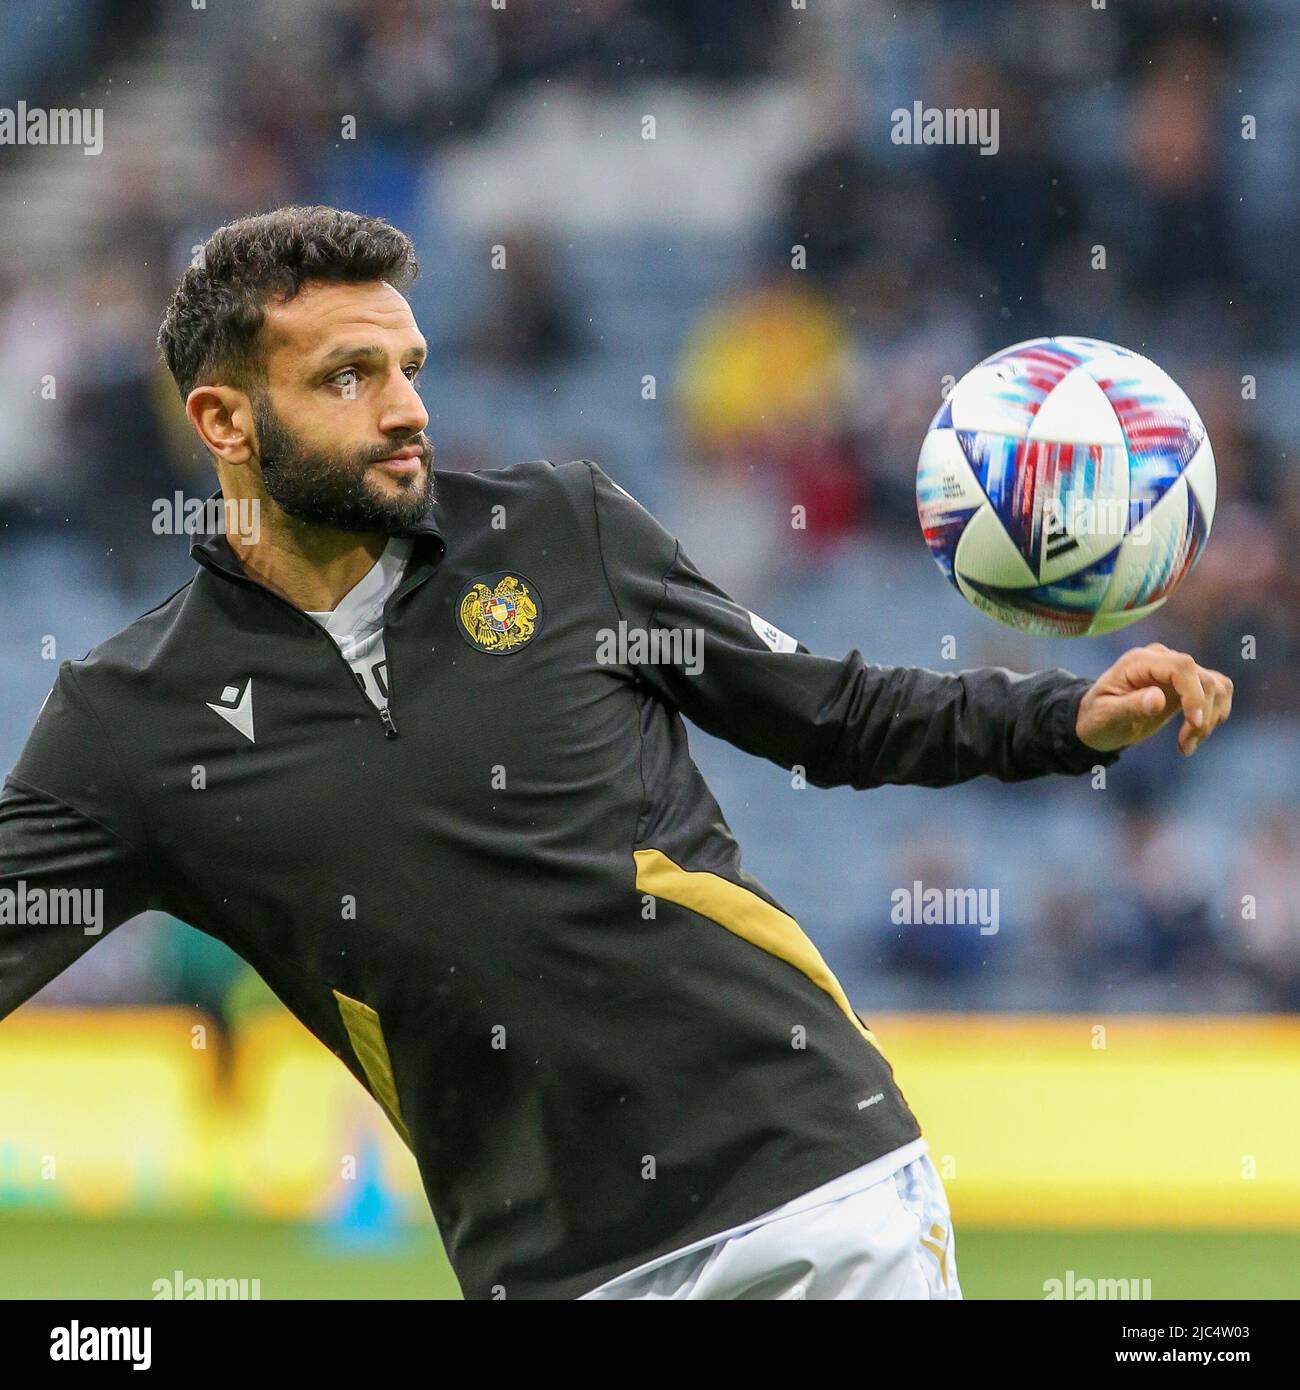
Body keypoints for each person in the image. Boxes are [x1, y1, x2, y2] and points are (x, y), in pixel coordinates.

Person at [0, 206, 1233, 1300]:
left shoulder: (561, 529)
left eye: (411, 366)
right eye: (349, 376)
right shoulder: (131, 721)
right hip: (551, 1264)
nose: (406, 407)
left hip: (809, 1182)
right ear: (222, 419)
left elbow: (830, 712)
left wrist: (1059, 719)